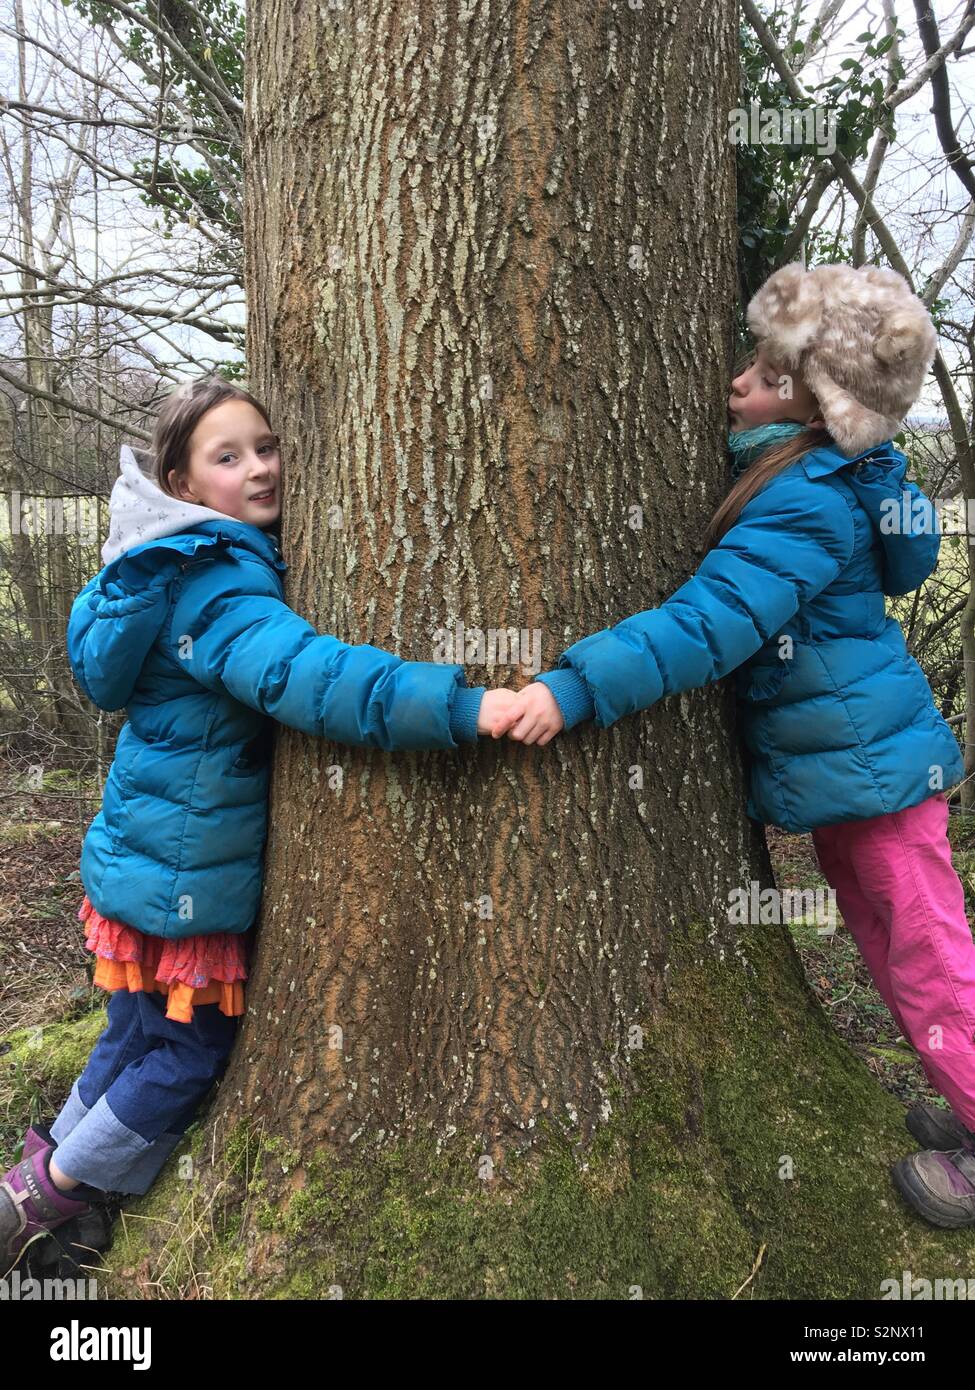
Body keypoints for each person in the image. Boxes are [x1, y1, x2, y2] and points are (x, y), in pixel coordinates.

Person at [490, 261, 975, 1230]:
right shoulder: (842, 476)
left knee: (926, 956)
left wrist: (574, 685)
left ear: (812, 409)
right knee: (903, 953)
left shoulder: (803, 500)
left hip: (873, 778)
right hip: (865, 777)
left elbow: (707, 624)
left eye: (759, 376)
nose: (732, 386)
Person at [0, 377, 515, 1273]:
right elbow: (308, 678)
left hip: (142, 859)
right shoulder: (215, 582)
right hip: (184, 878)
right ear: (184, 484)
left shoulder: (151, 568)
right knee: (191, 1053)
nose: (260, 468)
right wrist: (457, 706)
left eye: (266, 446)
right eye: (228, 457)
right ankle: (52, 1199)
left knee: (133, 1031)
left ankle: (36, 1187)